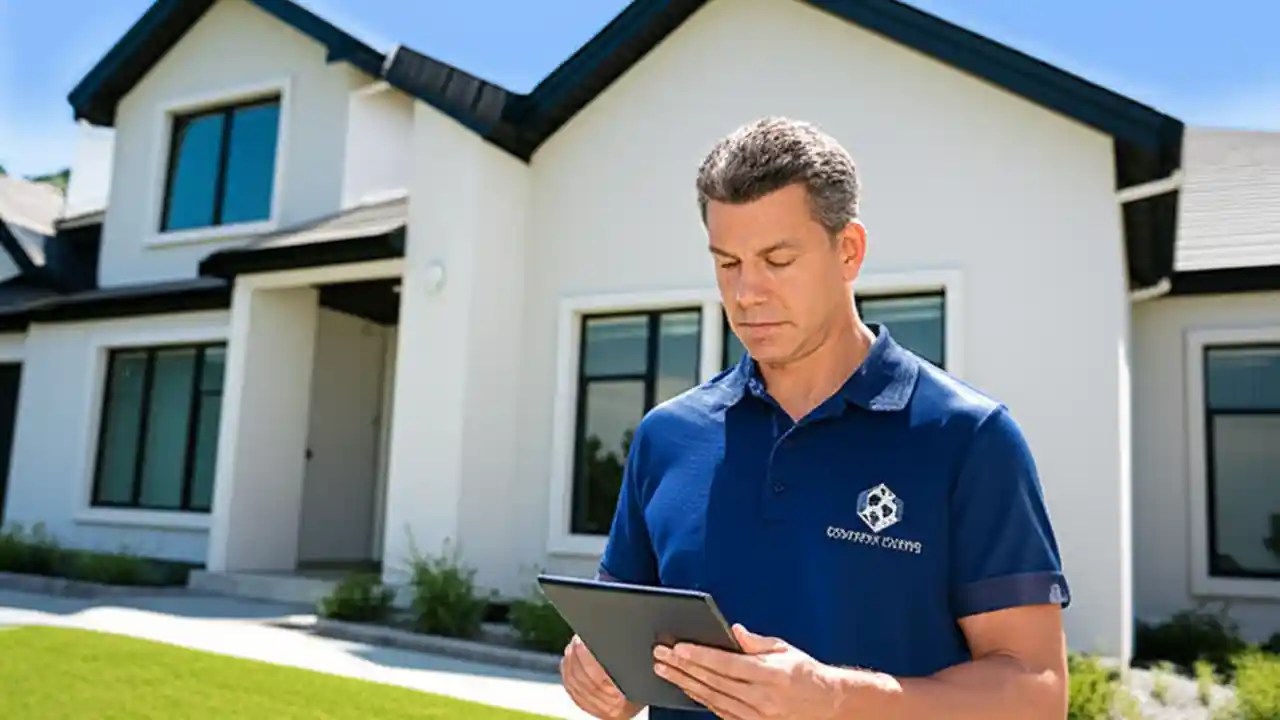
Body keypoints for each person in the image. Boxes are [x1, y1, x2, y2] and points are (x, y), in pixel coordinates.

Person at [559, 117, 1071, 719]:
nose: (748, 292)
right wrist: (599, 677)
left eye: (778, 260)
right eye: (728, 263)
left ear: (848, 250)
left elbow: (1036, 694)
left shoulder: (968, 438)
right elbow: (618, 648)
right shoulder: (667, 437)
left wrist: (835, 699)